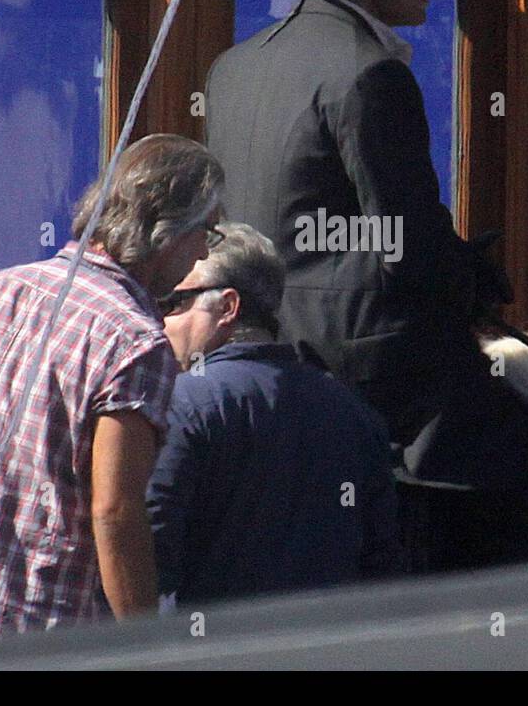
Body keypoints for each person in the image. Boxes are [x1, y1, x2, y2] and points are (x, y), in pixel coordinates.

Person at [206, 0, 528, 569]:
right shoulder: (370, 74)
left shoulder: (234, 66)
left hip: (260, 340)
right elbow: (406, 250)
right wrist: (472, 275)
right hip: (373, 368)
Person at [0, 134, 223, 648]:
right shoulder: (135, 342)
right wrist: (150, 644)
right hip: (22, 632)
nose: (205, 252)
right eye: (206, 232)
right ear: (167, 232)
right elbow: (114, 511)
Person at [147, 222, 402, 606]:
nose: (162, 321)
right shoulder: (353, 414)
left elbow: (149, 545)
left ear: (228, 307)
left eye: (175, 303)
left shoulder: (182, 403)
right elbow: (382, 567)